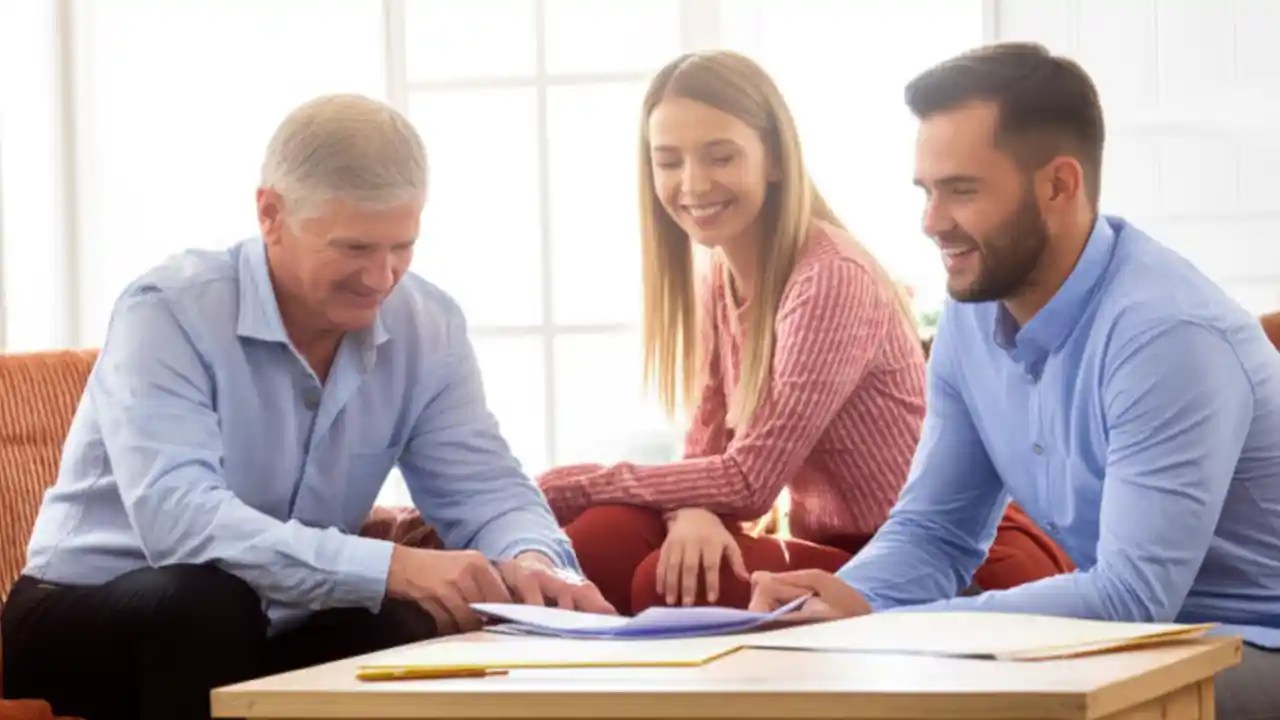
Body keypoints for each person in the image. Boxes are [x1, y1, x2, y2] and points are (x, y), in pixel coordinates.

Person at [0, 94, 611, 720]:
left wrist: (536, 562)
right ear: (271, 214)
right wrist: (391, 565)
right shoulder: (168, 311)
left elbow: (488, 491)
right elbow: (179, 523)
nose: (382, 277)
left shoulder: (428, 326)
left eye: (402, 245)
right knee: (206, 602)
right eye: (353, 248)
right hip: (86, 609)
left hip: (277, 620)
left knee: (412, 621)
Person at [747, 43, 1280, 720]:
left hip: (1254, 641)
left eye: (962, 190)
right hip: (1149, 646)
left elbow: (1131, 598)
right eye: (927, 190)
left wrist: (892, 631)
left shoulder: (1165, 335)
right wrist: (836, 608)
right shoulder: (973, 319)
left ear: (1059, 185)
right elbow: (936, 531)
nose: (931, 221)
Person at [536, 50, 1073, 616]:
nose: (692, 183)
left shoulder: (828, 278)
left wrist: (572, 483)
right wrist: (692, 511)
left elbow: (749, 482)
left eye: (720, 156)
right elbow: (707, 452)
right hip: (840, 550)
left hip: (944, 559)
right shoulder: (719, 275)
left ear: (773, 159)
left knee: (674, 582)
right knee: (603, 540)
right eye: (668, 161)